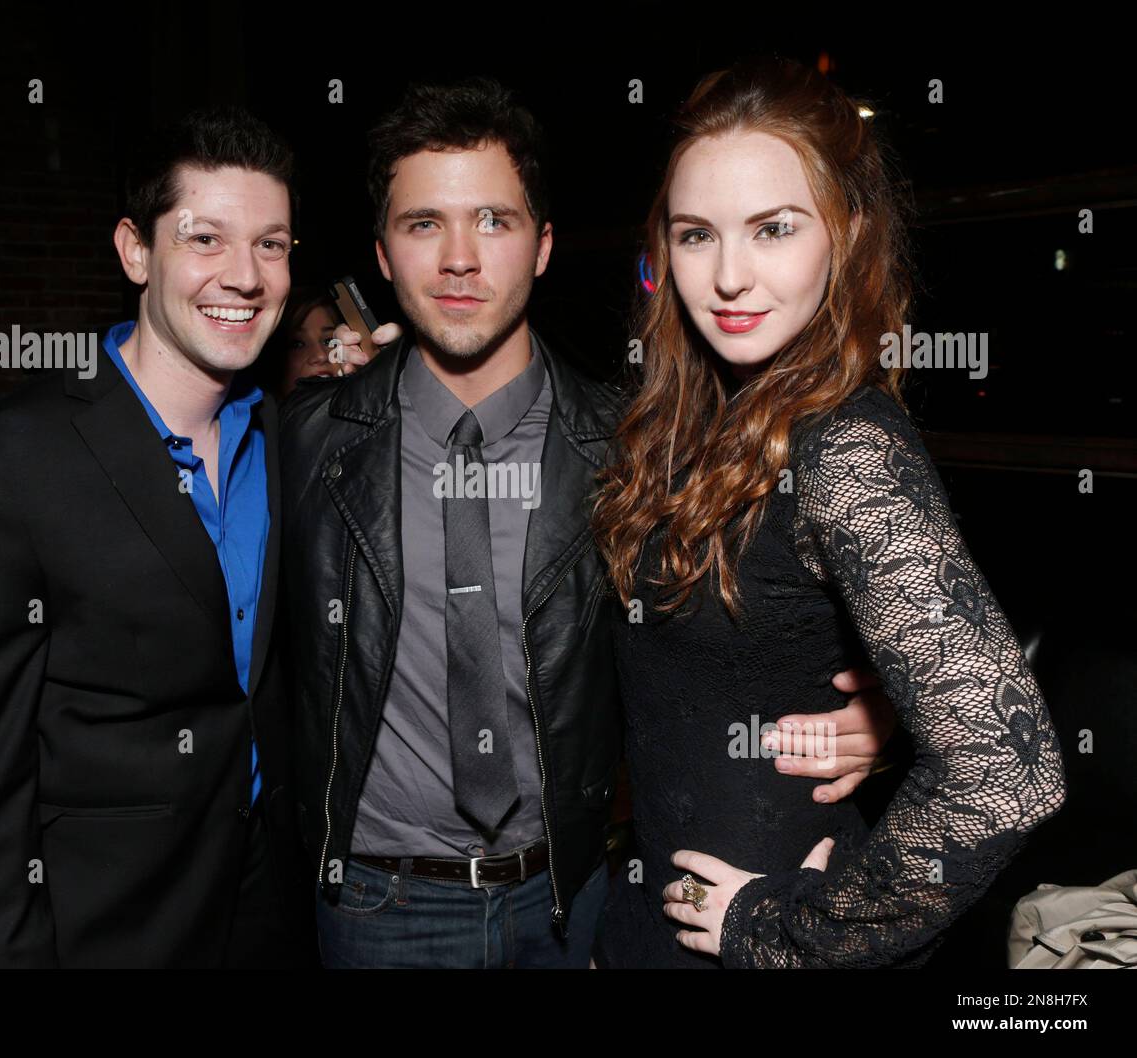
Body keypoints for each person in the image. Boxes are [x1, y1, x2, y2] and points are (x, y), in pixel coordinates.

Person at [280, 76, 899, 969]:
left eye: (494, 221)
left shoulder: (637, 448)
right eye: (425, 225)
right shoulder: (307, 444)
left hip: (573, 904)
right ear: (382, 254)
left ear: (542, 246)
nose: (460, 257)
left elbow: (741, 638)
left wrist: (878, 718)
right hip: (377, 905)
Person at [590, 57, 1067, 968]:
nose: (729, 276)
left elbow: (1009, 773)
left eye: (773, 229)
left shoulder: (848, 447)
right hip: (655, 918)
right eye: (697, 235)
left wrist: (790, 933)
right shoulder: (682, 419)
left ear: (845, 233)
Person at [0, 106, 363, 967]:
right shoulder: (2, 465)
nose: (245, 275)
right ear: (135, 251)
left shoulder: (288, 436)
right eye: (205, 240)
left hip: (274, 920)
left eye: (271, 245)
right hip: (101, 932)